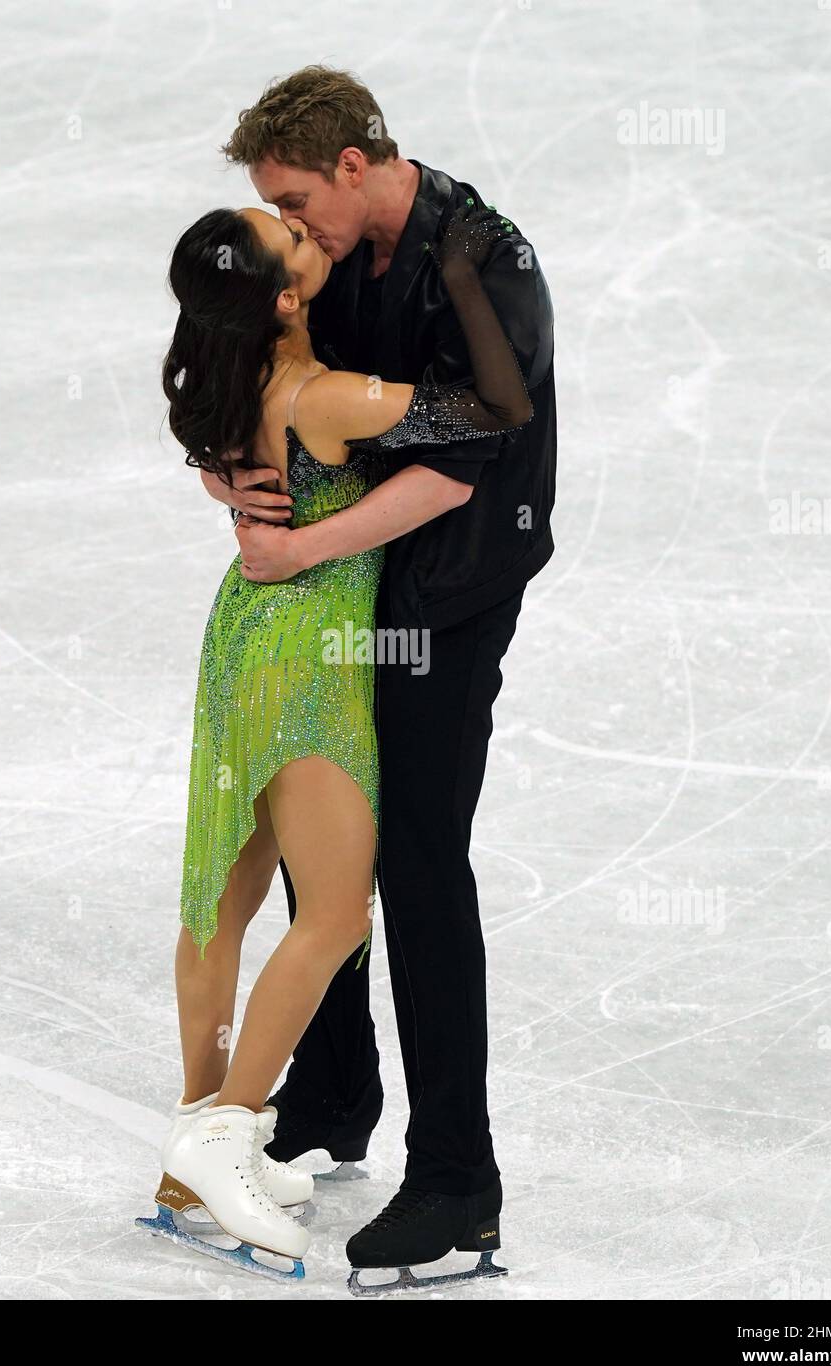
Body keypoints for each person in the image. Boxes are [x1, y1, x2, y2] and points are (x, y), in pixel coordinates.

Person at [203, 65, 557, 1289]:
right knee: (328, 834)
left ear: (355, 163)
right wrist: (235, 473)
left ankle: (459, 1180)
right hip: (348, 592)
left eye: (298, 202)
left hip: (446, 597)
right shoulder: (334, 257)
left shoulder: (480, 258)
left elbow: (470, 455)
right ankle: (337, 1089)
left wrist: (296, 533)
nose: (290, 230)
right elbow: (253, 377)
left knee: (414, 856)